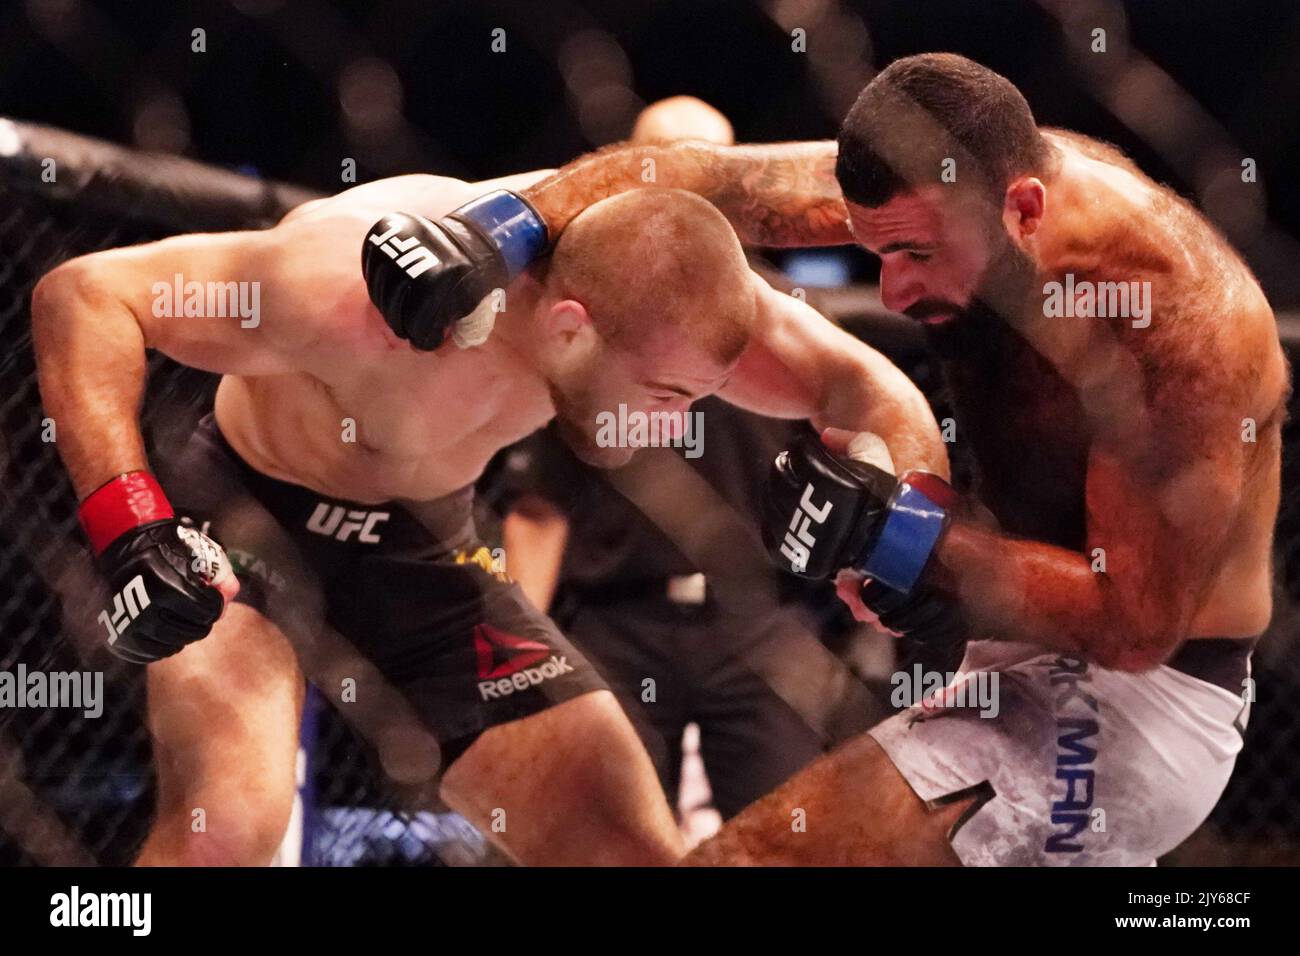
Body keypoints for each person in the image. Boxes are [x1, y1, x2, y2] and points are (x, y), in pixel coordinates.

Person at [397, 53, 1287, 866]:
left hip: (1140, 703)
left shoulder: (1176, 329)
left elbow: (1133, 626)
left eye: (915, 255)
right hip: (1007, 654)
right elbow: (682, 172)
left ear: (1023, 211)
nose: (892, 290)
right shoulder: (942, 185)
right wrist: (504, 228)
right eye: (874, 251)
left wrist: (904, 536)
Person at [31, 161, 943, 864]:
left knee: (631, 851)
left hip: (425, 553)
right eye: (665, 394)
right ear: (570, 326)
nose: (678, 425)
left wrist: (897, 523)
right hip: (246, 520)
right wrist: (131, 524)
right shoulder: (352, 284)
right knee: (225, 830)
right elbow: (87, 294)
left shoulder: (671, 294)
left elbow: (865, 380)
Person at [493, 95, 881, 831]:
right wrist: (518, 661)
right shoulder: (591, 302)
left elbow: (853, 433)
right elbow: (540, 505)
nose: (684, 181)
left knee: (782, 834)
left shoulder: (785, 318)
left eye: (704, 165)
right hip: (617, 618)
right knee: (604, 832)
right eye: (663, 162)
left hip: (759, 620)